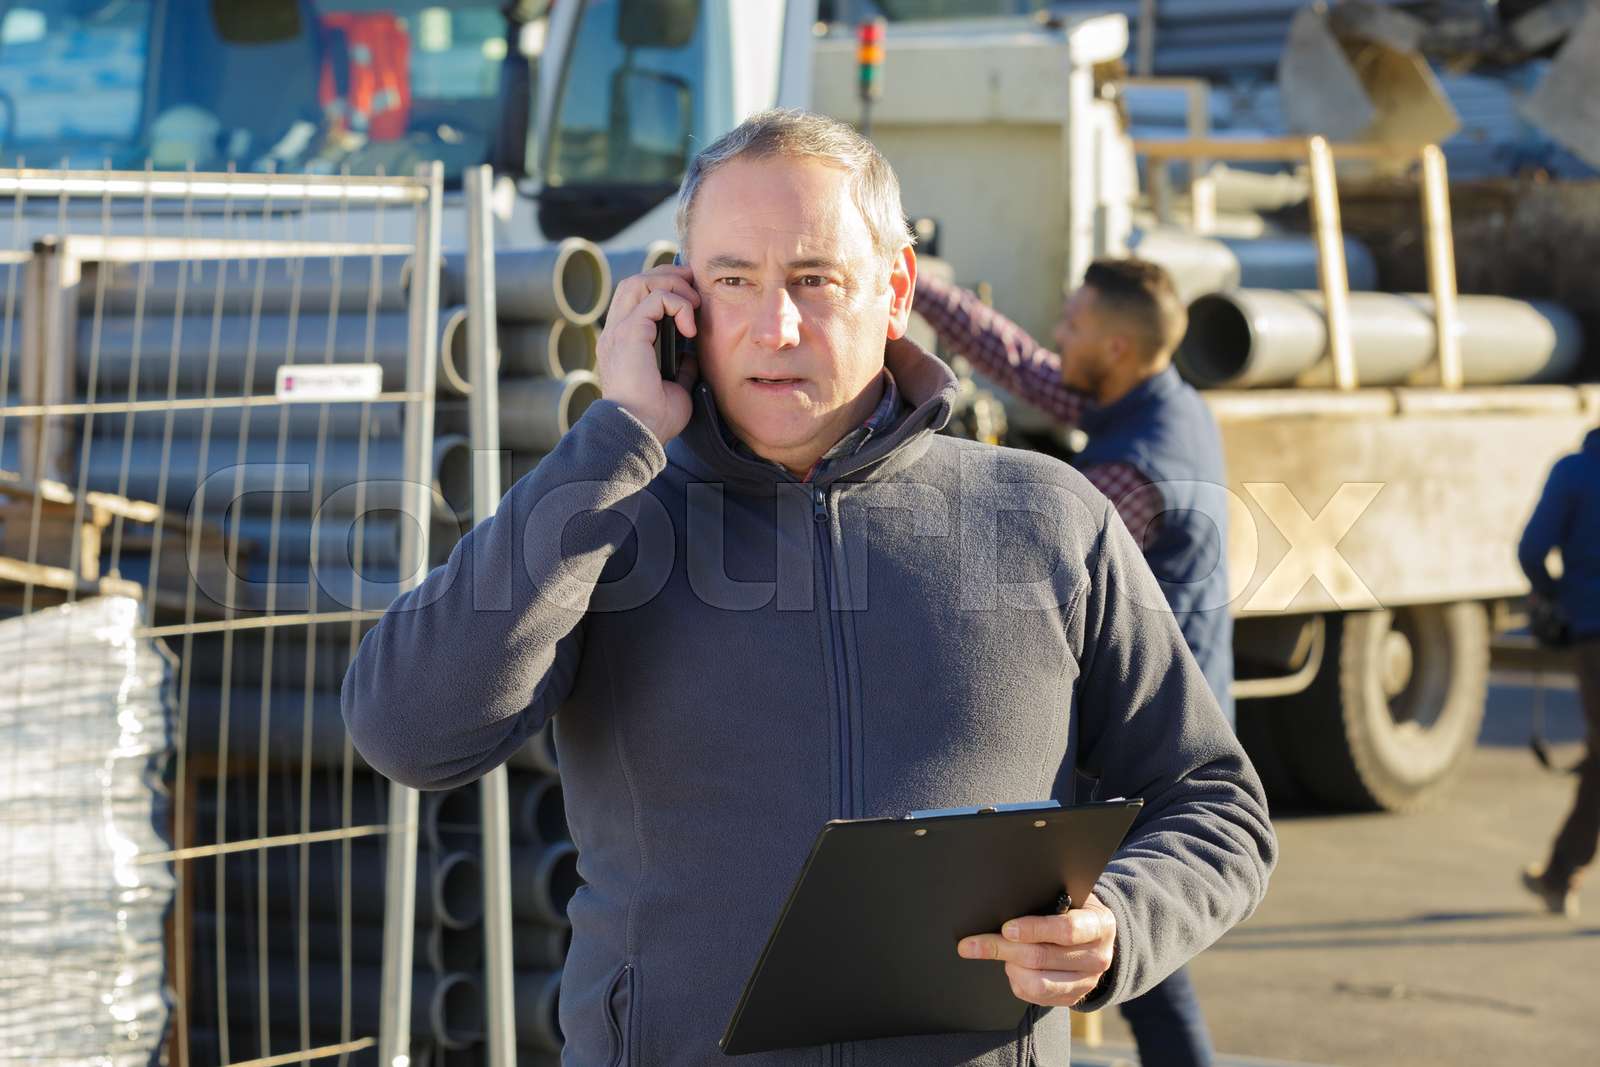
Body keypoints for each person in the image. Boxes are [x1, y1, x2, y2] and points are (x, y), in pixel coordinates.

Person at [343, 109, 1275, 1065]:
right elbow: (405, 730)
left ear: (895, 288)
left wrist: (1121, 920)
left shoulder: (1048, 517)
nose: (774, 327)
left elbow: (1216, 802)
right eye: (733, 280)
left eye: (814, 280)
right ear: (678, 298)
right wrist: (615, 437)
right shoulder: (603, 516)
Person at [916, 262, 1232, 1066]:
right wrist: (923, 289)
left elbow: (1034, 577)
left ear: (1116, 347)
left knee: (1124, 951)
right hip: (1179, 708)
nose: (1059, 337)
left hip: (1142, 739)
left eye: (1076, 326)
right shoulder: (1163, 401)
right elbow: (1026, 368)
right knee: (1135, 958)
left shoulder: (1129, 470)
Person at [1517, 424, 1600, 919]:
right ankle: (1560, 872)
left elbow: (1531, 551)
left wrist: (1552, 595)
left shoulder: (1575, 472)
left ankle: (1560, 873)